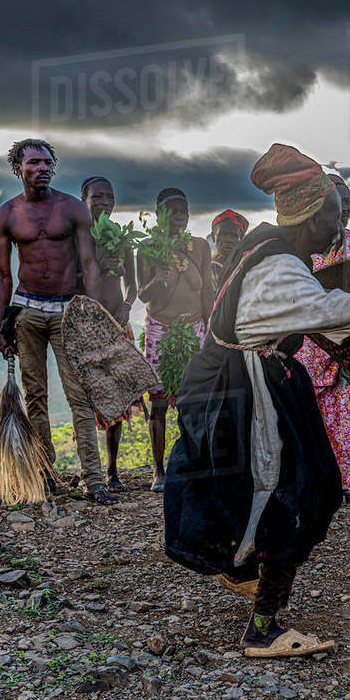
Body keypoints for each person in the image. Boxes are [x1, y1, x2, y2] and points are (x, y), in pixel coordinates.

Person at [163, 143, 350, 656]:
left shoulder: (269, 245)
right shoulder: (280, 269)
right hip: (243, 387)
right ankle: (263, 628)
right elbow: (324, 309)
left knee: (274, 490)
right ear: (311, 215)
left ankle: (245, 570)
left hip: (246, 376)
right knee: (298, 495)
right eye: (335, 217)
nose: (338, 230)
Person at [0, 139, 116, 505]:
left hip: (67, 310)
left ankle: (94, 480)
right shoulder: (6, 215)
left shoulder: (72, 208)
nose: (43, 168)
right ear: (19, 168)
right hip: (26, 312)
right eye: (34, 163)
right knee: (36, 398)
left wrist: (90, 317)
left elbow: (89, 264)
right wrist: (3, 325)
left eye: (48, 162)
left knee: (79, 397)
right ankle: (46, 476)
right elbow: (2, 275)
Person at [295, 174, 350, 503]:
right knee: (304, 415)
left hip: (343, 340)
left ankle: (340, 482)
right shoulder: (305, 246)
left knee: (339, 416)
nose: (345, 209)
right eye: (339, 204)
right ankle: (306, 481)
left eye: (349, 203)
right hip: (306, 343)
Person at [136, 188, 214, 492]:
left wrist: (211, 330)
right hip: (159, 327)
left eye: (183, 211)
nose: (178, 217)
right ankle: (158, 472)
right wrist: (162, 274)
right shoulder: (147, 247)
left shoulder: (199, 247)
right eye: (172, 212)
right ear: (159, 215)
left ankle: (190, 464)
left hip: (194, 327)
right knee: (157, 403)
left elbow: (205, 290)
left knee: (192, 401)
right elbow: (144, 294)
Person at [80, 175, 138, 493]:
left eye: (109, 196)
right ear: (84, 199)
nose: (104, 202)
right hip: (87, 328)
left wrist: (128, 304)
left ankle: (112, 470)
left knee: (117, 401)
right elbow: (74, 279)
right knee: (87, 401)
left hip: (117, 325)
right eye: (97, 196)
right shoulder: (79, 237)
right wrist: (99, 264)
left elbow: (133, 283)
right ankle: (90, 470)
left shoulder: (120, 236)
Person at [209, 209, 249, 286]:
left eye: (234, 236)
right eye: (223, 234)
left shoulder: (246, 266)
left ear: (241, 240)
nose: (228, 240)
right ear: (213, 237)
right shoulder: (207, 270)